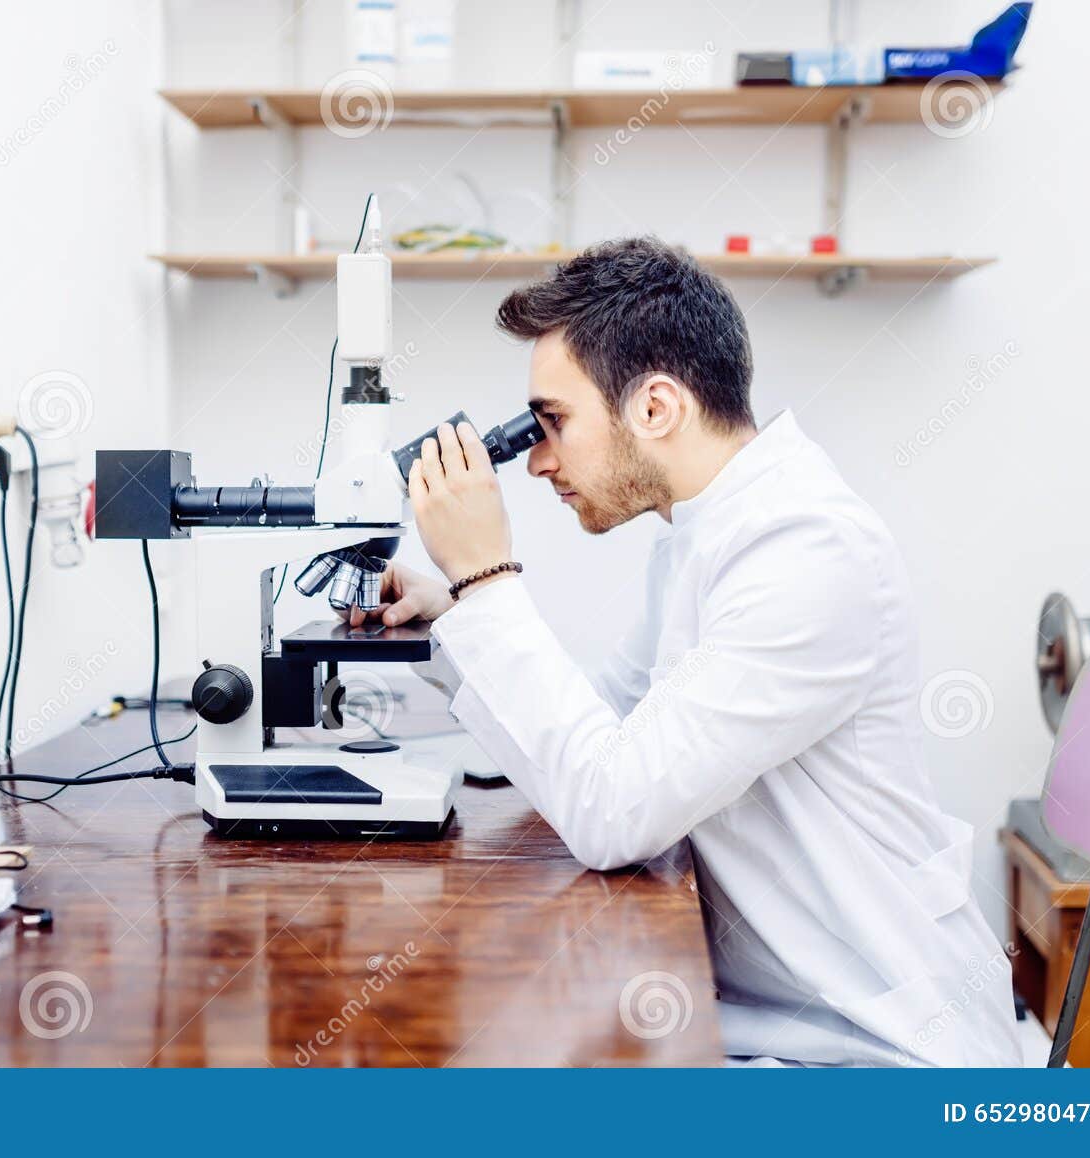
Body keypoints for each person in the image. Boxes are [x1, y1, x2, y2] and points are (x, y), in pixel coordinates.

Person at [350, 237, 1022, 1067]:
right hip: (774, 1016)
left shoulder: (805, 551)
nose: (535, 461)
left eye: (552, 422)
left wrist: (488, 577)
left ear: (657, 408)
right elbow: (611, 728)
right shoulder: (703, 535)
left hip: (880, 1055)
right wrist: (455, 608)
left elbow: (611, 812)